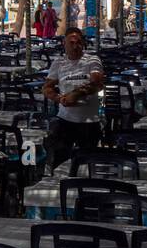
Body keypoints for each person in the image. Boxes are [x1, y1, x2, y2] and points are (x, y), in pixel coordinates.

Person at [42, 27, 106, 171]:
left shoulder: (92, 60)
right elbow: (46, 88)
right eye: (71, 43)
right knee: (59, 161)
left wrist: (75, 95)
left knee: (88, 164)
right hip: (65, 120)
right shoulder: (59, 63)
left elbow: (97, 83)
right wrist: (59, 99)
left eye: (78, 43)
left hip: (89, 122)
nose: (75, 46)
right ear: (64, 44)